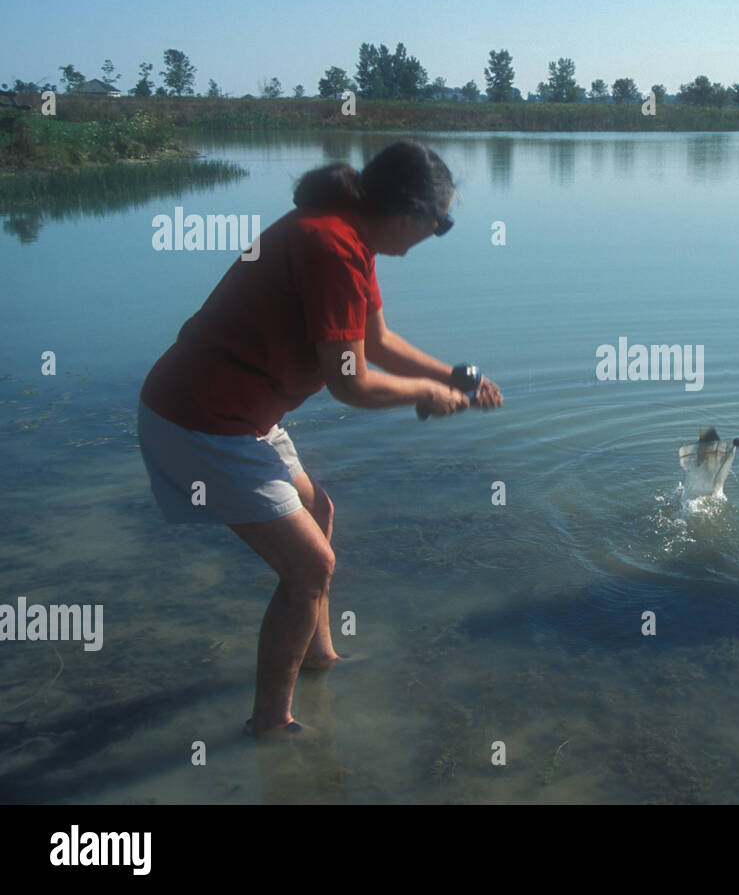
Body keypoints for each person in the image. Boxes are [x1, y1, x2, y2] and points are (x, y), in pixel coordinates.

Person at [137, 140, 502, 736]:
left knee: (317, 509)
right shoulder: (331, 243)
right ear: (411, 214)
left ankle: (319, 658)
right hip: (198, 420)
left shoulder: (353, 237)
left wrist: (453, 375)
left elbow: (376, 342)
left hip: (240, 414)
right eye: (441, 224)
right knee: (310, 567)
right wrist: (421, 395)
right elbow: (350, 383)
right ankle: (271, 725)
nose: (435, 235)